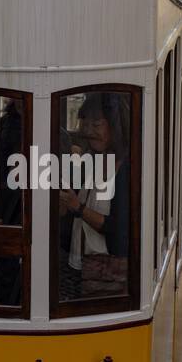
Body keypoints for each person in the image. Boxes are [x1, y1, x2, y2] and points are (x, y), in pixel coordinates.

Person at [58, 93, 132, 300]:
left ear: (115, 126)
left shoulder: (127, 168)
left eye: (96, 125)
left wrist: (77, 207)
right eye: (85, 124)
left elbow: (118, 230)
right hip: (76, 263)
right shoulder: (89, 160)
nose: (88, 132)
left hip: (106, 272)